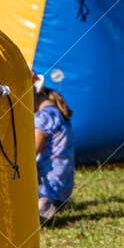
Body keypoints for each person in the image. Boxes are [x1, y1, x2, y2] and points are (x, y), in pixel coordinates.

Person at [32, 76, 74, 225]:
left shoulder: (44, 117)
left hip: (50, 188)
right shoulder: (55, 112)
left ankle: (42, 205)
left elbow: (31, 153)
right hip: (62, 189)